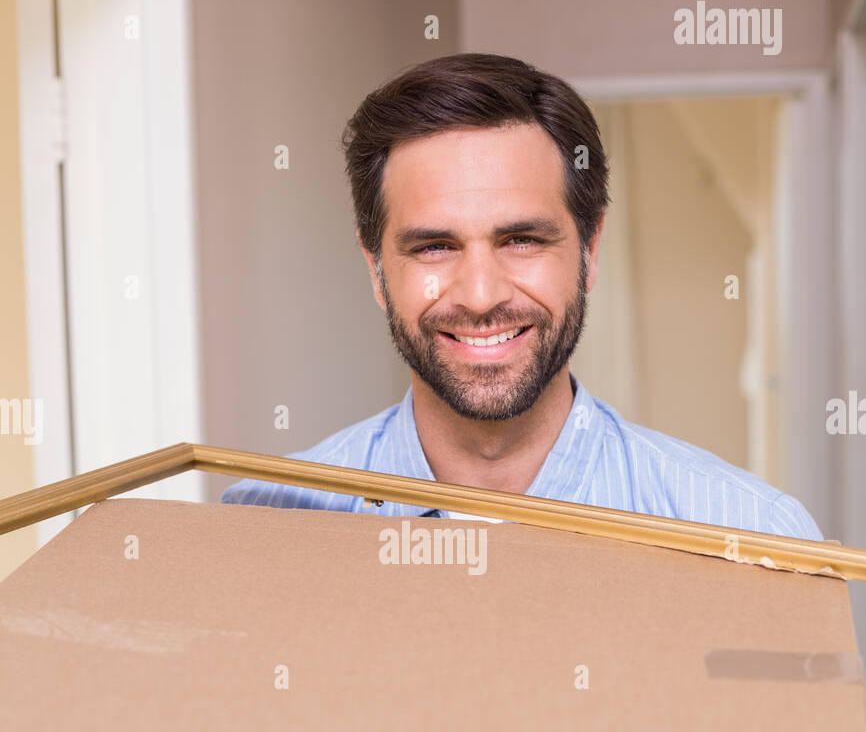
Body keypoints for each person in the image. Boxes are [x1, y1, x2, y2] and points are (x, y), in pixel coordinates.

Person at [221, 52, 821, 540]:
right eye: (433, 247)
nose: (481, 296)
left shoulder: (747, 533)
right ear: (376, 271)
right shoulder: (269, 524)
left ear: (588, 251)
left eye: (522, 239)